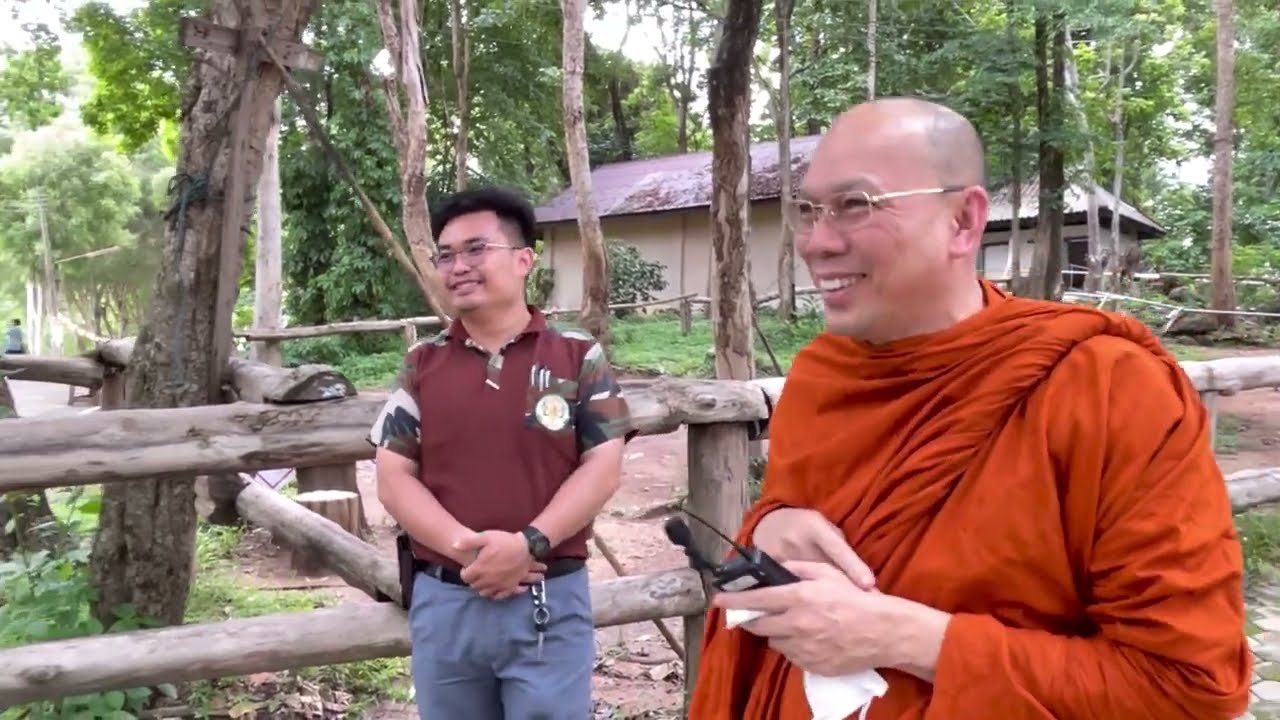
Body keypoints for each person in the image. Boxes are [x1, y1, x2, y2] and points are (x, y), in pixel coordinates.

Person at [688, 98, 1252, 719]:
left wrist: (907, 638)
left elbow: (1188, 687)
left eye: (856, 205)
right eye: (809, 210)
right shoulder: (822, 376)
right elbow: (802, 530)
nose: (817, 242)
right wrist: (770, 525)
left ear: (963, 220)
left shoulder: (1108, 389)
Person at [368, 185, 631, 720]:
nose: (457, 266)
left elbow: (603, 462)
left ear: (523, 259)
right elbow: (393, 475)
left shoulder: (577, 355)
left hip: (548, 599)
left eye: (475, 249)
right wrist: (471, 552)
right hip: (446, 603)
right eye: (446, 255)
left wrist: (529, 544)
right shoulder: (422, 364)